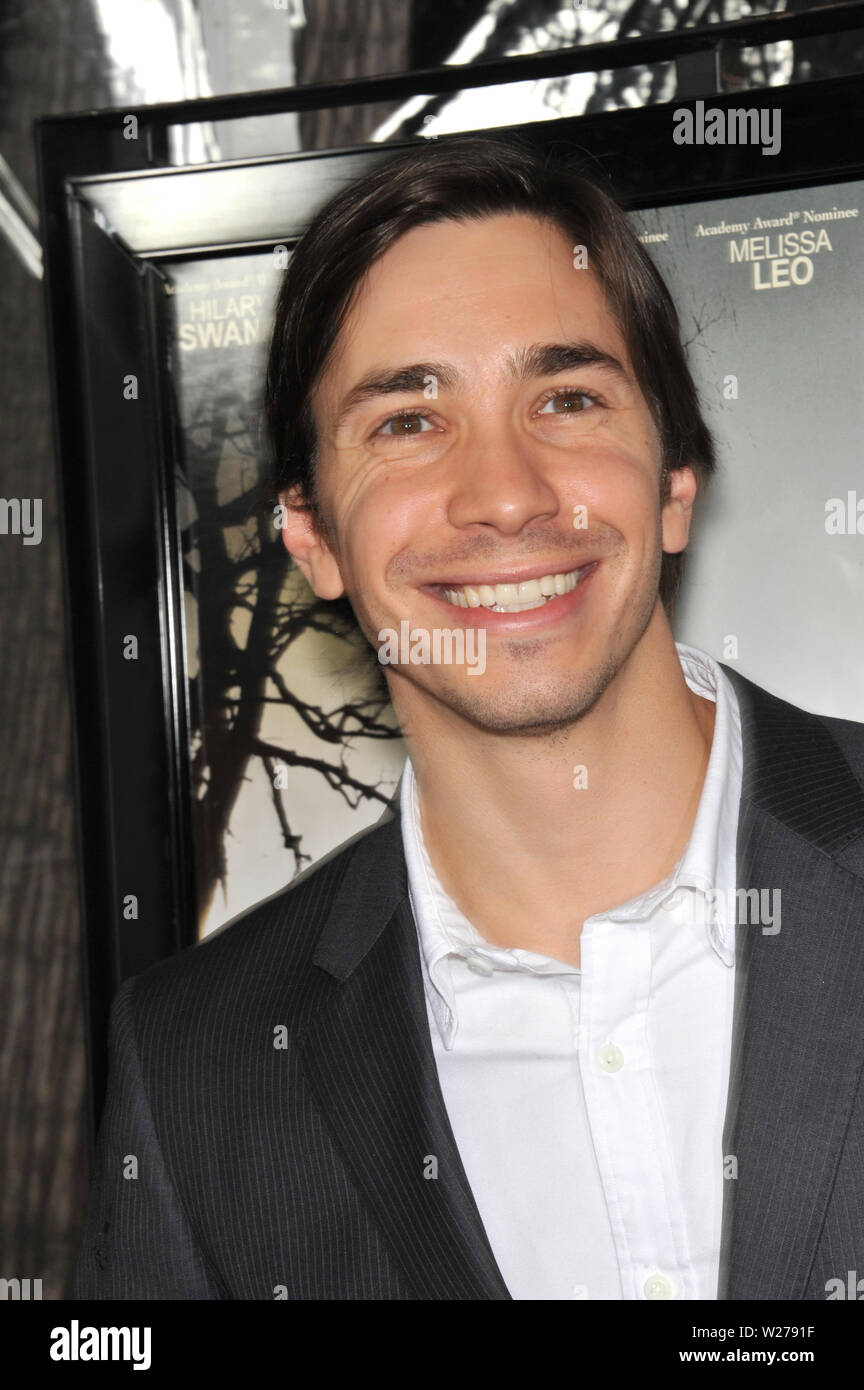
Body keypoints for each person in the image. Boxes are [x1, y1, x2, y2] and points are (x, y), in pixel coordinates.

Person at [70, 136, 864, 1301]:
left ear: (677, 479)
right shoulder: (198, 1073)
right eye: (406, 419)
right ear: (314, 537)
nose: (506, 494)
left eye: (569, 396)